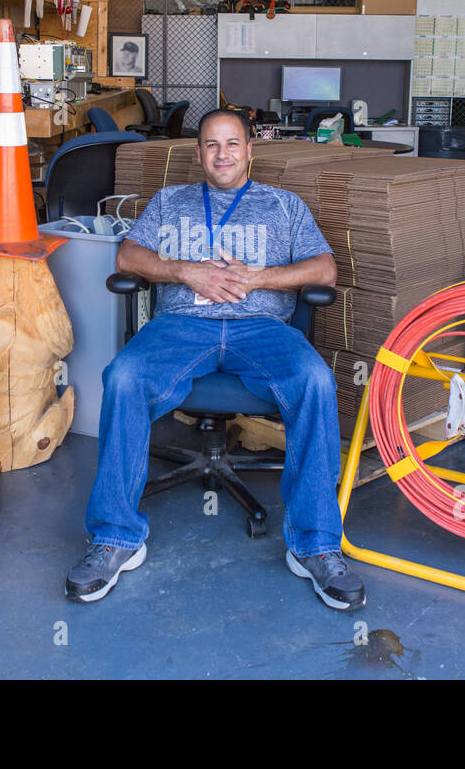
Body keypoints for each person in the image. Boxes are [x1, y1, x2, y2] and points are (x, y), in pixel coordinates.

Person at [65, 109, 366, 610]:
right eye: (210, 145)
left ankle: (315, 546)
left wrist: (256, 278)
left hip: (263, 328)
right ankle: (115, 538)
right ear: (198, 152)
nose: (222, 154)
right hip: (182, 327)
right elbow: (127, 259)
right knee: (123, 376)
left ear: (250, 150)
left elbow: (324, 268)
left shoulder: (283, 205)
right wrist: (185, 272)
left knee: (314, 380)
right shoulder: (170, 200)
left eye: (232, 144)